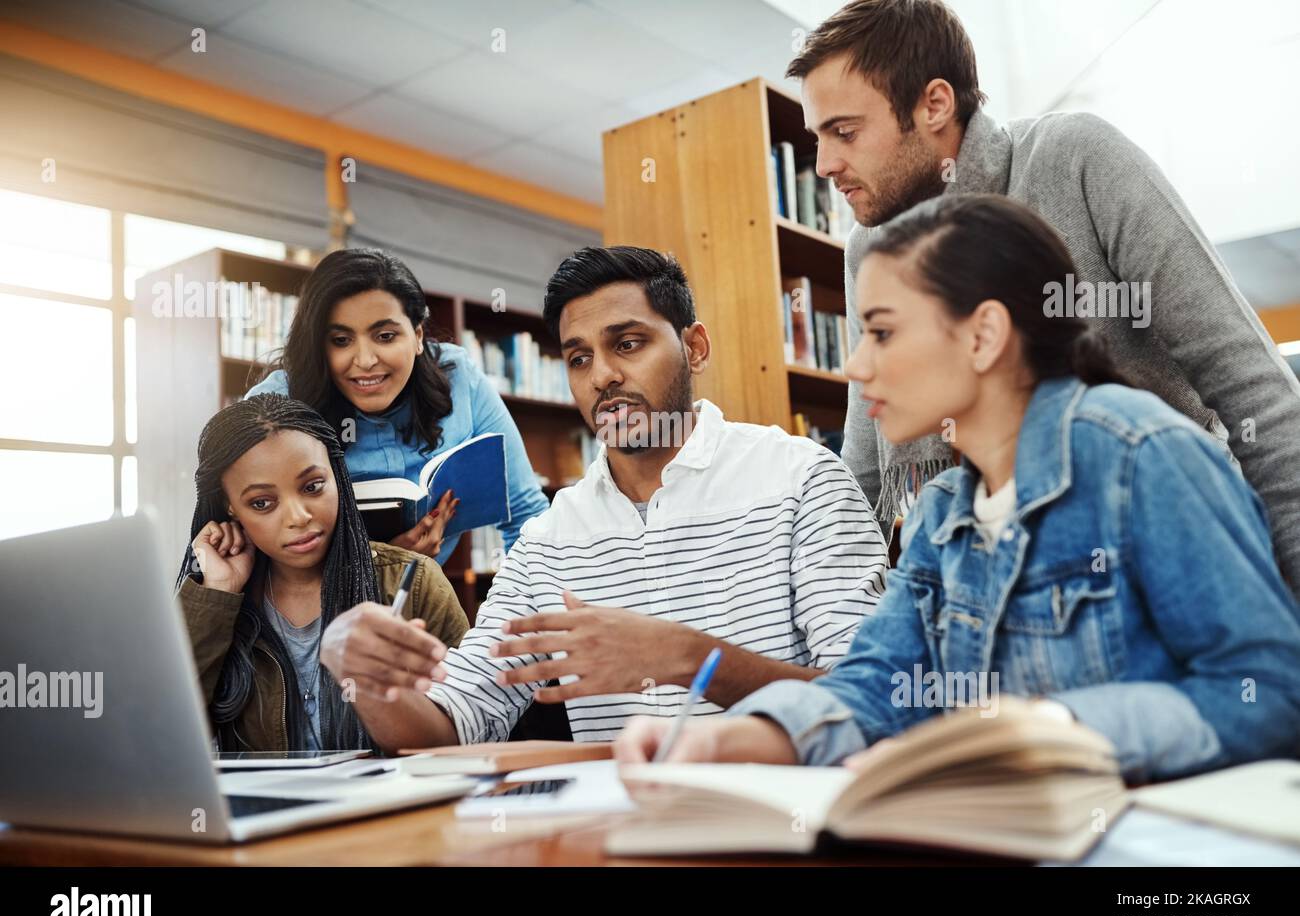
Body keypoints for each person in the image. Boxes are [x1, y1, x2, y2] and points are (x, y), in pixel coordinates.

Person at [614, 195, 1300, 783]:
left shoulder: (1144, 456)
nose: (855, 366)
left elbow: (1270, 693)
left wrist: (1049, 729)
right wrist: (729, 739)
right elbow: (877, 686)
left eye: (881, 332)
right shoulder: (941, 515)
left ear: (983, 335)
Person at [792, 0, 1300, 598]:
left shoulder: (1077, 158)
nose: (824, 164)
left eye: (845, 132)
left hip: (1171, 552)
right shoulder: (868, 246)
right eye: (818, 137)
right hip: (997, 591)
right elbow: (868, 467)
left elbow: (1250, 390)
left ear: (934, 104)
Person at [317, 245, 890, 749]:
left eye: (628, 344)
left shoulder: (801, 479)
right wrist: (363, 675)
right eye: (579, 358)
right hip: (623, 826)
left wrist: (688, 657)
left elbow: (876, 700)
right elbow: (449, 724)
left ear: (694, 348)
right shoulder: (548, 541)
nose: (603, 376)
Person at [175, 393, 468, 753]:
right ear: (230, 508)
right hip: (265, 794)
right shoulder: (218, 597)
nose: (298, 517)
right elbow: (164, 734)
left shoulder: (416, 582)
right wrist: (219, 593)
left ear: (337, 476)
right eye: (262, 503)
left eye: (313, 487)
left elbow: (469, 726)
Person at [246, 247, 550, 564]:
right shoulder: (277, 403)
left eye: (385, 336)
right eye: (341, 341)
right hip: (314, 596)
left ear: (418, 335)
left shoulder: (459, 376)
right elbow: (246, 539)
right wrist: (384, 564)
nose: (365, 361)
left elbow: (528, 515)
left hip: (424, 591)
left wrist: (518, 595)